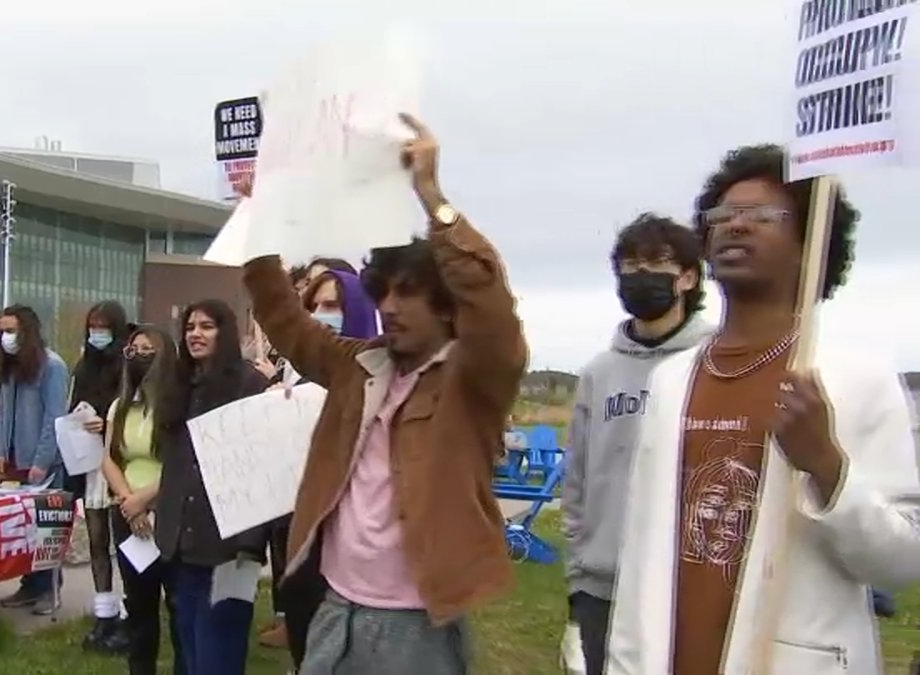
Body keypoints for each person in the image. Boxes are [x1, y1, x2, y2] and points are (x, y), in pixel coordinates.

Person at [606, 144, 920, 674]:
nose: (736, 226)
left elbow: (899, 562)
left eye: (762, 217)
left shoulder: (855, 379)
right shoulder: (670, 381)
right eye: (724, 216)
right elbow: (641, 556)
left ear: (810, 245)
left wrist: (827, 466)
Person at [243, 114, 527, 675]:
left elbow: (492, 311)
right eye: (384, 292)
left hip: (416, 625)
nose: (390, 306)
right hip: (336, 606)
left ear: (445, 304)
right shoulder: (358, 365)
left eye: (408, 293)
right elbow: (287, 322)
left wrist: (432, 198)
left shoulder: (474, 380)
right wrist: (259, 233)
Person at [561, 213, 712, 675]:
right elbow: (578, 477)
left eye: (656, 263)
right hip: (602, 586)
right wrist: (579, 564)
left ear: (687, 277)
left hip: (684, 586)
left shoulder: (713, 361)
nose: (640, 276)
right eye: (629, 266)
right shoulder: (599, 372)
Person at [261, 265, 382, 667]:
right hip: (299, 525)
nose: (319, 314)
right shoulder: (297, 372)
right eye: (312, 305)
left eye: (330, 304)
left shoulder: (379, 377)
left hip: (355, 551)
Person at [155, 299, 269, 675]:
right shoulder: (179, 385)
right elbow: (175, 465)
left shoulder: (251, 385)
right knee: (188, 650)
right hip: (182, 548)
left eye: (206, 326)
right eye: (190, 327)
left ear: (225, 332)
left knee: (218, 653)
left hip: (231, 550)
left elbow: (261, 470)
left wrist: (249, 544)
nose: (195, 334)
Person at [94, 325, 184, 675]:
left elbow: (183, 463)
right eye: (133, 350)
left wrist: (146, 499)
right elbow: (109, 458)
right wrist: (129, 502)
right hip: (128, 513)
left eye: (149, 350)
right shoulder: (122, 405)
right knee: (140, 605)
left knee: (178, 603)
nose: (139, 356)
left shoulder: (179, 405)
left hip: (170, 510)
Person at [0, 304, 70, 615]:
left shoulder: (52, 366)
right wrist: (1, 452)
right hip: (16, 458)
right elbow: (5, 413)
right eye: (2, 331)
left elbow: (55, 417)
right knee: (24, 530)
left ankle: (49, 590)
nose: (5, 337)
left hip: (44, 463)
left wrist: (42, 460)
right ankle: (30, 585)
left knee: (46, 530)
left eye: (11, 331)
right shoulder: (12, 367)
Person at [67, 301, 133, 654]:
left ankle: (128, 611)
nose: (97, 333)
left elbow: (138, 414)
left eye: (103, 326)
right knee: (96, 540)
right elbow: (72, 405)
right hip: (90, 462)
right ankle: (103, 612)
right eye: (92, 326)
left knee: (124, 542)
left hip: (120, 463)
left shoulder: (127, 365)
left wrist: (109, 425)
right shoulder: (83, 366)